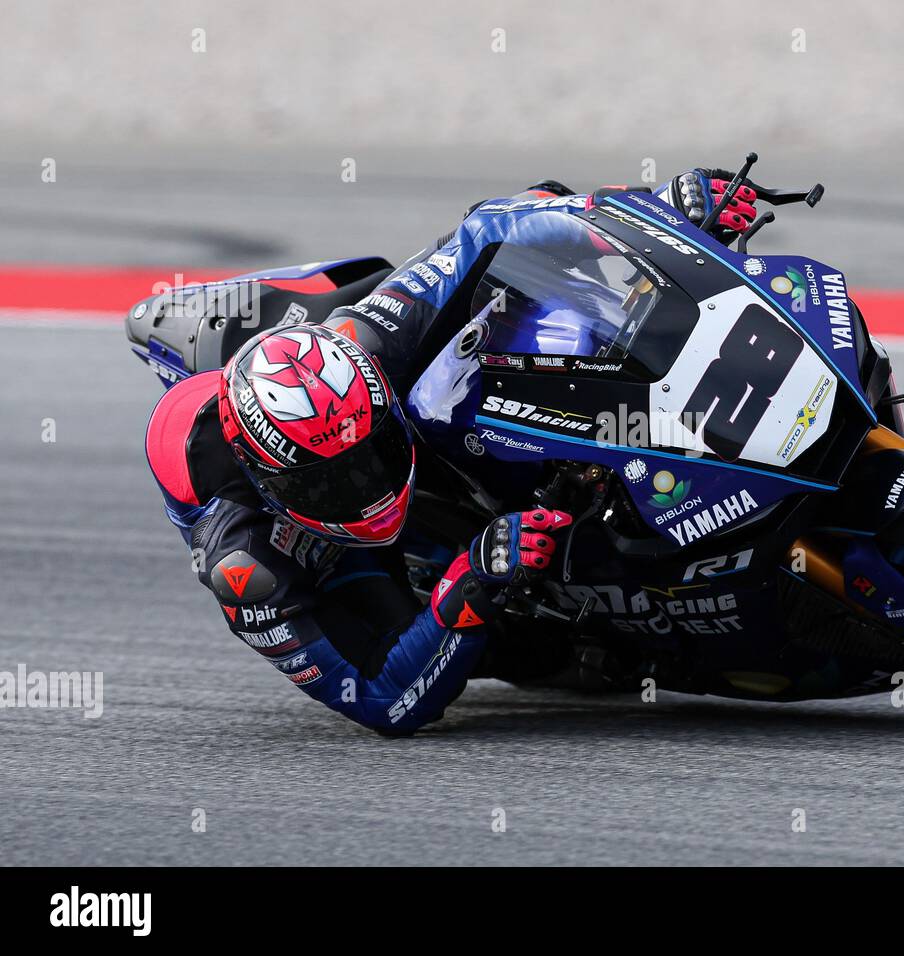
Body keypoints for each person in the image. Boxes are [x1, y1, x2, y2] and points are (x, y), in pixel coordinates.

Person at [143, 168, 757, 735]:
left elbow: (500, 221)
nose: (370, 486)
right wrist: (472, 580)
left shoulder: (365, 340)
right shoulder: (246, 562)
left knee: (520, 290)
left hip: (327, 362)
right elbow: (381, 700)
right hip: (338, 554)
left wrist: (659, 212)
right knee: (543, 653)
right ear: (272, 482)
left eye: (374, 451)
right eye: (337, 481)